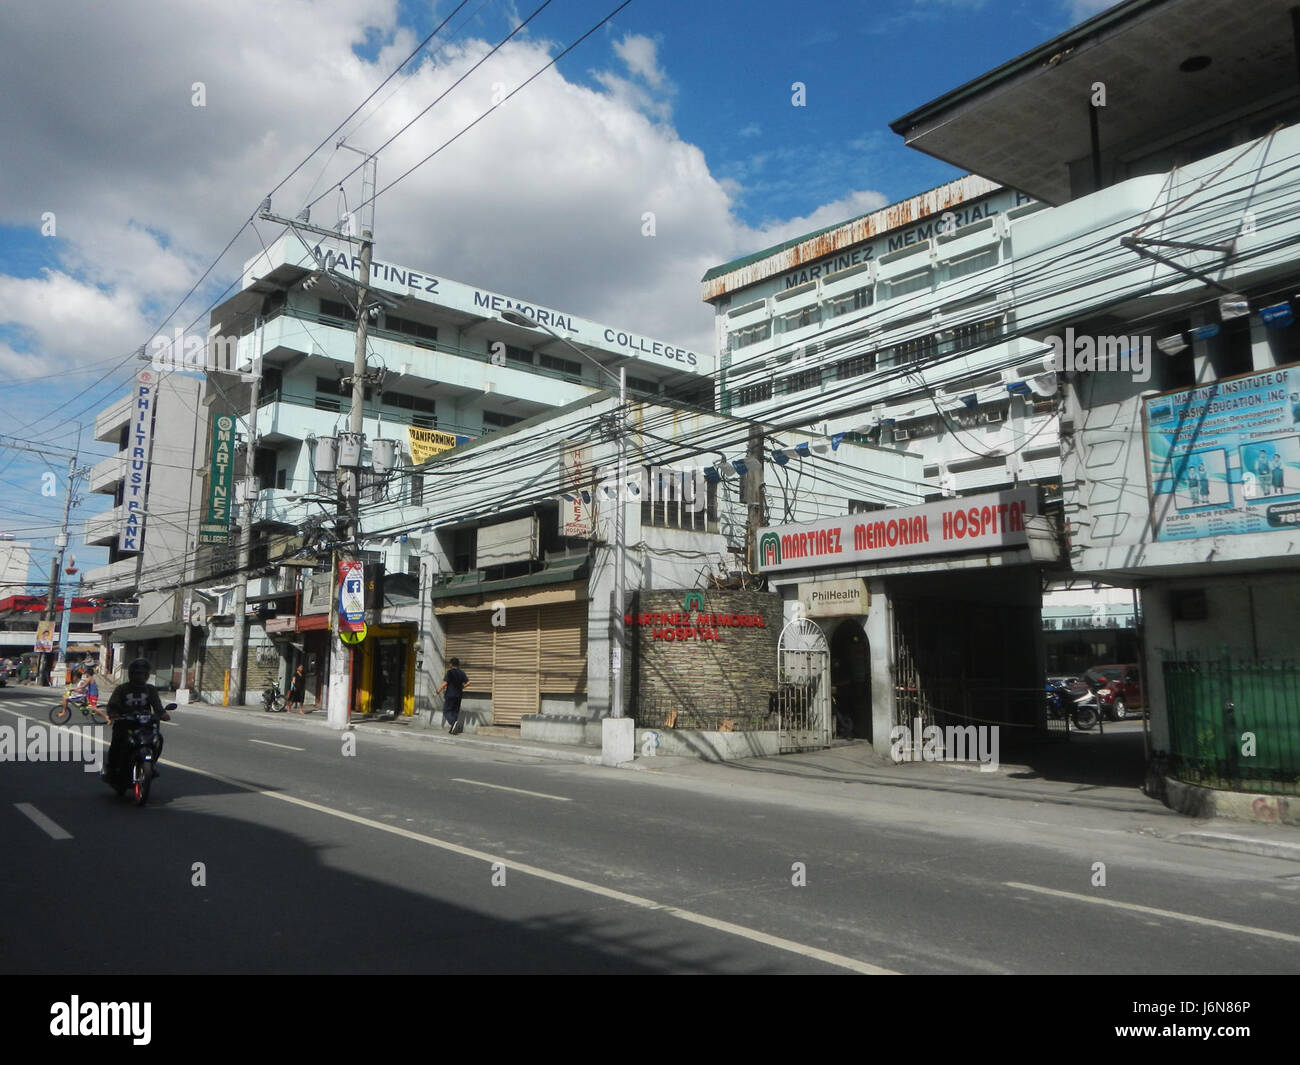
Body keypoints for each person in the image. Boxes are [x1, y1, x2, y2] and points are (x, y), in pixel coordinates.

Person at [104, 658, 169, 781]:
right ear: (131, 674)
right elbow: (113, 705)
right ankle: (112, 768)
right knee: (117, 742)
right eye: (137, 673)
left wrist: (162, 714)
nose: (140, 676)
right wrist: (114, 714)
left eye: (143, 674)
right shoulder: (122, 689)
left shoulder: (150, 689)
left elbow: (157, 705)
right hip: (125, 723)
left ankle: (151, 764)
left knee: (157, 739)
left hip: (145, 724)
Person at [436, 658, 469, 735]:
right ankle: (452, 730)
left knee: (446, 711)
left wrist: (437, 692)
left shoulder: (450, 672)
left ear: (451, 664)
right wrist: (462, 687)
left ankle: (452, 723)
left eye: (450, 663)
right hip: (459, 695)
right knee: (455, 712)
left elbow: (445, 684)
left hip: (450, 695)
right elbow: (468, 683)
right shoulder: (462, 673)